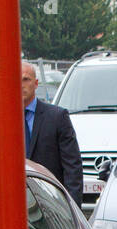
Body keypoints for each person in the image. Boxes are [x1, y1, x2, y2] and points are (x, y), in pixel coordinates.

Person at [21, 62, 83, 207]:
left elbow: (72, 167)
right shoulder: (4, 120)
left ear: (36, 83)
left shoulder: (57, 117)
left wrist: (72, 210)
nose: (21, 84)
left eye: (26, 79)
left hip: (52, 203)